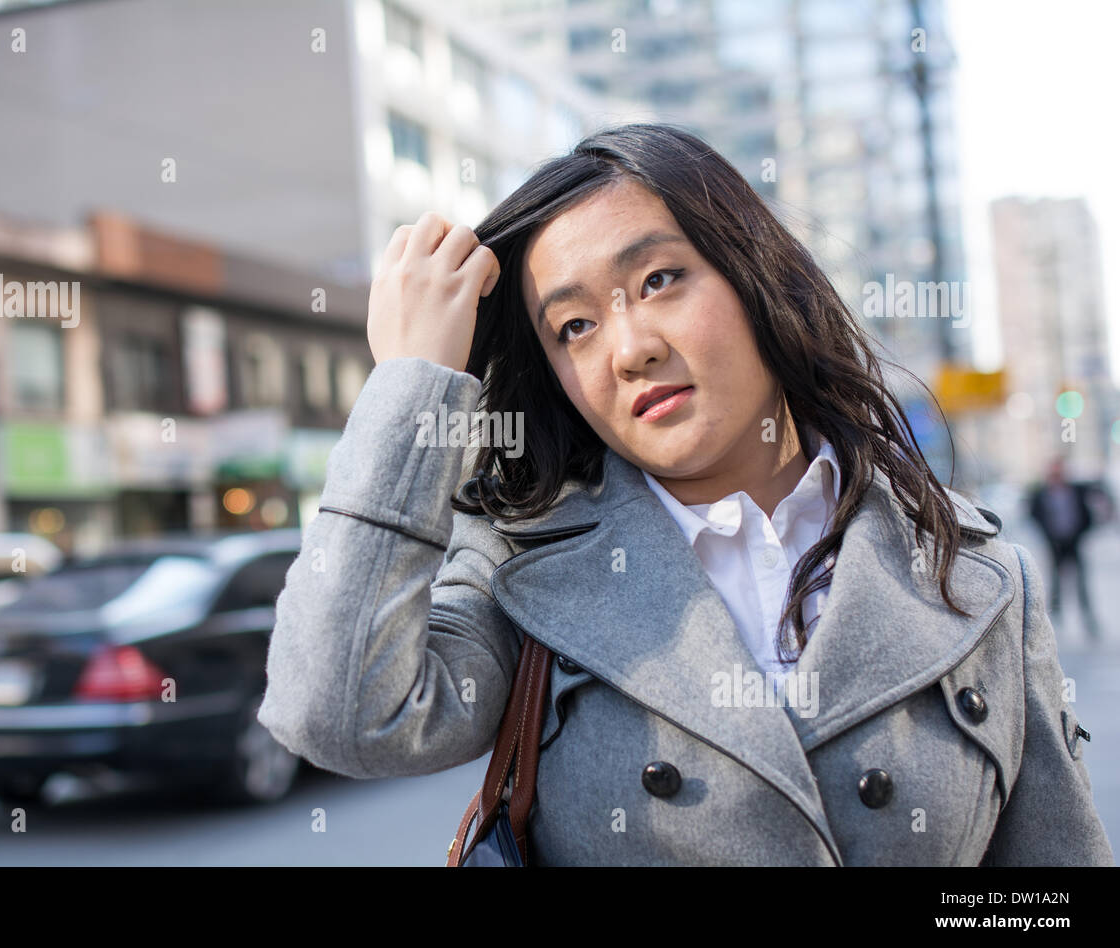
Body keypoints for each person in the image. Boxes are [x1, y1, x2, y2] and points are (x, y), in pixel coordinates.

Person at [258, 123, 1112, 866]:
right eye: (576, 326)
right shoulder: (524, 572)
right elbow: (336, 713)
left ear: (757, 276)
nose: (629, 348)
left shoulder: (974, 572)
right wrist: (414, 382)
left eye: (660, 279)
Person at [1026, 455, 1110, 641]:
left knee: (1081, 583)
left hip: (1074, 542)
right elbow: (1034, 515)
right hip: (1054, 544)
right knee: (1055, 582)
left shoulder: (1076, 490)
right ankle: (1054, 618)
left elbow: (1091, 510)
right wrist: (1048, 534)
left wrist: (1081, 533)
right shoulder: (1041, 494)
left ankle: (1088, 619)